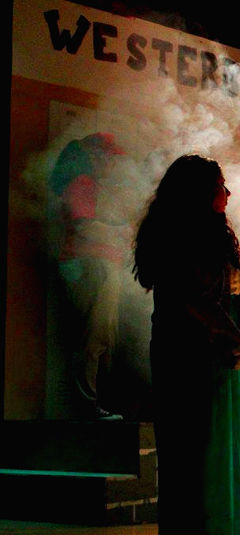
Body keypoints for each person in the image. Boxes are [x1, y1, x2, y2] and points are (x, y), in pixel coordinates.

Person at [134, 155, 240, 535]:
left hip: (219, 358)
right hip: (188, 356)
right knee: (189, 450)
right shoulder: (179, 241)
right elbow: (195, 305)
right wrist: (236, 343)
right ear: (201, 192)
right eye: (221, 185)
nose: (228, 192)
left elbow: (233, 299)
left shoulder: (216, 236)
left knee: (217, 449)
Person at [49, 132, 132, 420]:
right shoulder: (83, 183)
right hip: (92, 268)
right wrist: (123, 232)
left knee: (95, 338)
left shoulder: (84, 184)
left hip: (92, 266)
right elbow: (85, 226)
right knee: (93, 338)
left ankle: (90, 403)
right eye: (109, 158)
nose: (112, 165)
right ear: (96, 156)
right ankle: (87, 406)